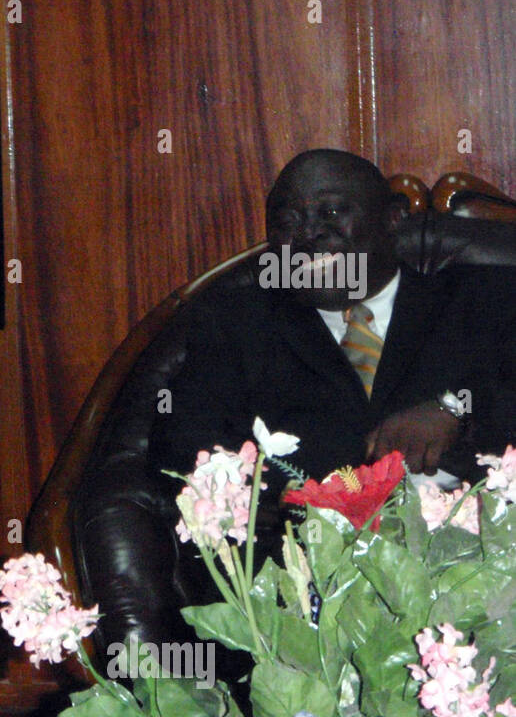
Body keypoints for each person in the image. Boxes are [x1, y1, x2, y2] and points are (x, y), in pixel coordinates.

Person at [150, 149, 516, 500]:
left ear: (393, 217)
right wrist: (314, 494)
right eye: (288, 223)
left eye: (332, 211)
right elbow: (180, 449)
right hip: (301, 551)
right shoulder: (236, 322)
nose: (309, 235)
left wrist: (455, 411)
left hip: (477, 547)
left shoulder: (487, 299)